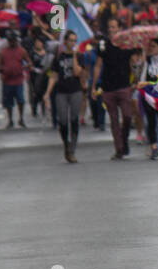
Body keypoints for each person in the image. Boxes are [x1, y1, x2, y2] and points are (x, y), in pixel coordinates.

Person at [94, 18, 141, 159]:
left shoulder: (126, 45)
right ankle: (119, 148)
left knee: (127, 116)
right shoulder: (103, 44)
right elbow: (98, 65)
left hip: (124, 86)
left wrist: (137, 78)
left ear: (120, 28)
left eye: (114, 27)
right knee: (114, 120)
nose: (111, 29)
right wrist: (93, 86)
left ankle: (124, 139)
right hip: (108, 87)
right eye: (110, 27)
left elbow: (134, 63)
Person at [42, 31, 84, 163]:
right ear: (65, 41)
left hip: (75, 90)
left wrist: (75, 56)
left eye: (74, 40)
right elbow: (54, 76)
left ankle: (72, 149)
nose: (72, 43)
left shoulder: (79, 56)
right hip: (61, 91)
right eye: (70, 40)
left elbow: (77, 72)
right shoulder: (59, 57)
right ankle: (66, 143)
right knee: (63, 120)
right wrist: (47, 93)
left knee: (74, 118)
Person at [0, 32, 31, 129]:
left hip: (18, 79)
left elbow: (29, 62)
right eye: (10, 41)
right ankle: (10, 119)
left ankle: (21, 118)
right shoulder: (3, 52)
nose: (12, 43)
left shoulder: (22, 51)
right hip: (7, 80)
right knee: (8, 102)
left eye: (13, 41)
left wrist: (24, 67)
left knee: (20, 100)